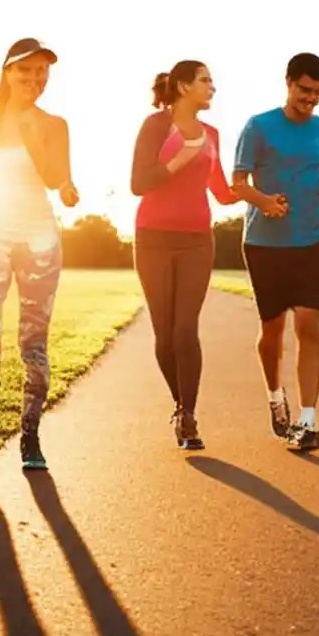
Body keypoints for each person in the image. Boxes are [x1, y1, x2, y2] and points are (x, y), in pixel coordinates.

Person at [0, 37, 79, 472]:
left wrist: (66, 187)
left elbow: (57, 180)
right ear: (7, 73)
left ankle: (30, 434)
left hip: (39, 238)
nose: (35, 79)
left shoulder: (55, 124)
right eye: (25, 70)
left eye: (41, 71)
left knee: (33, 342)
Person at [230, 52, 319, 452]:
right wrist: (264, 202)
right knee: (273, 329)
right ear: (289, 83)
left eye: (317, 93)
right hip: (266, 243)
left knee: (309, 326)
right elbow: (237, 183)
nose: (310, 99)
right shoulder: (258, 126)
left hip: (314, 239)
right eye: (305, 90)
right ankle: (275, 396)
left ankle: (307, 421)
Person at [130, 60, 239, 450]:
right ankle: (180, 404)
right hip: (153, 239)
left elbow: (222, 192)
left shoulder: (213, 134)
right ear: (182, 87)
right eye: (205, 80)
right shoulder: (155, 126)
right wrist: (179, 160)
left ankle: (188, 414)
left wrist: (263, 190)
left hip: (196, 240)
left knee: (185, 329)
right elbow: (138, 183)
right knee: (164, 335)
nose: (212, 87)